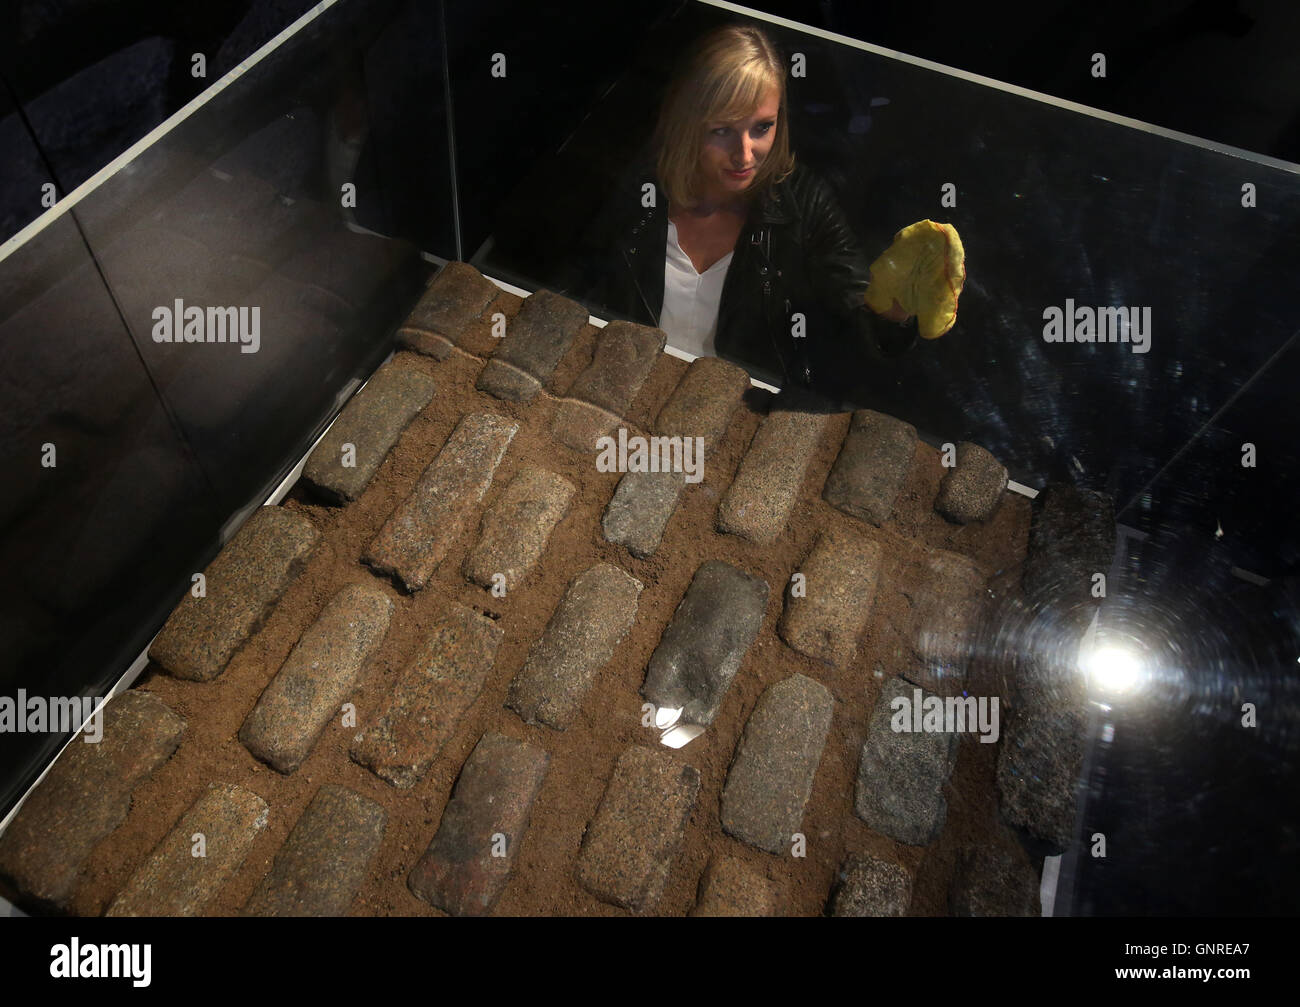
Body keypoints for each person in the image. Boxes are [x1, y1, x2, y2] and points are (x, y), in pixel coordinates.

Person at [566, 23, 917, 398]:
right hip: (624, 390)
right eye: (723, 130)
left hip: (740, 415)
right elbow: (573, 286)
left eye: (762, 127)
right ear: (689, 123)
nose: (745, 154)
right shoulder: (638, 184)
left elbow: (861, 321)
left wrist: (894, 313)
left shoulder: (804, 204)